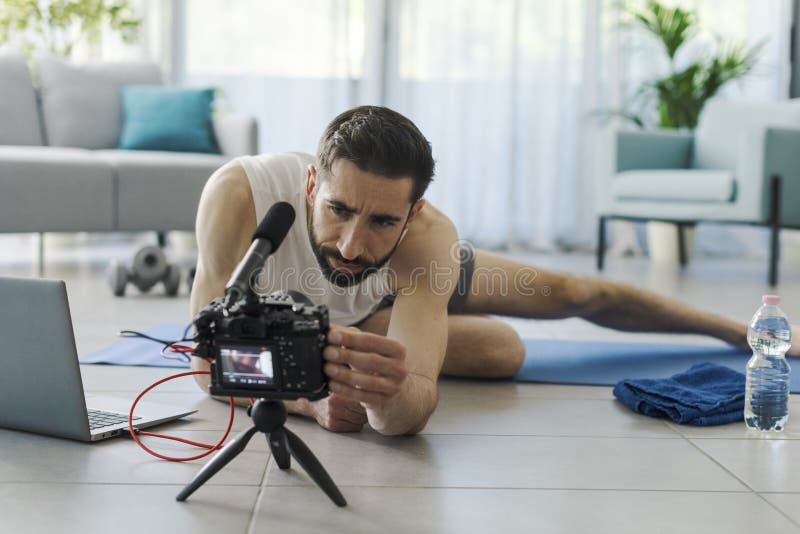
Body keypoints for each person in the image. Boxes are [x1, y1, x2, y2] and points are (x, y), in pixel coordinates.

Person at [190, 105, 798, 436]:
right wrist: (307, 402)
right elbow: (203, 360)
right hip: (356, 319)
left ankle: (731, 328)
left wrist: (388, 398)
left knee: (574, 291)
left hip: (401, 284)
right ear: (309, 182)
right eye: (338, 210)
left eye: (381, 220)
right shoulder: (238, 196)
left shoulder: (426, 240)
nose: (351, 244)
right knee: (504, 352)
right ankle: (379, 330)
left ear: (414, 212)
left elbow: (411, 409)